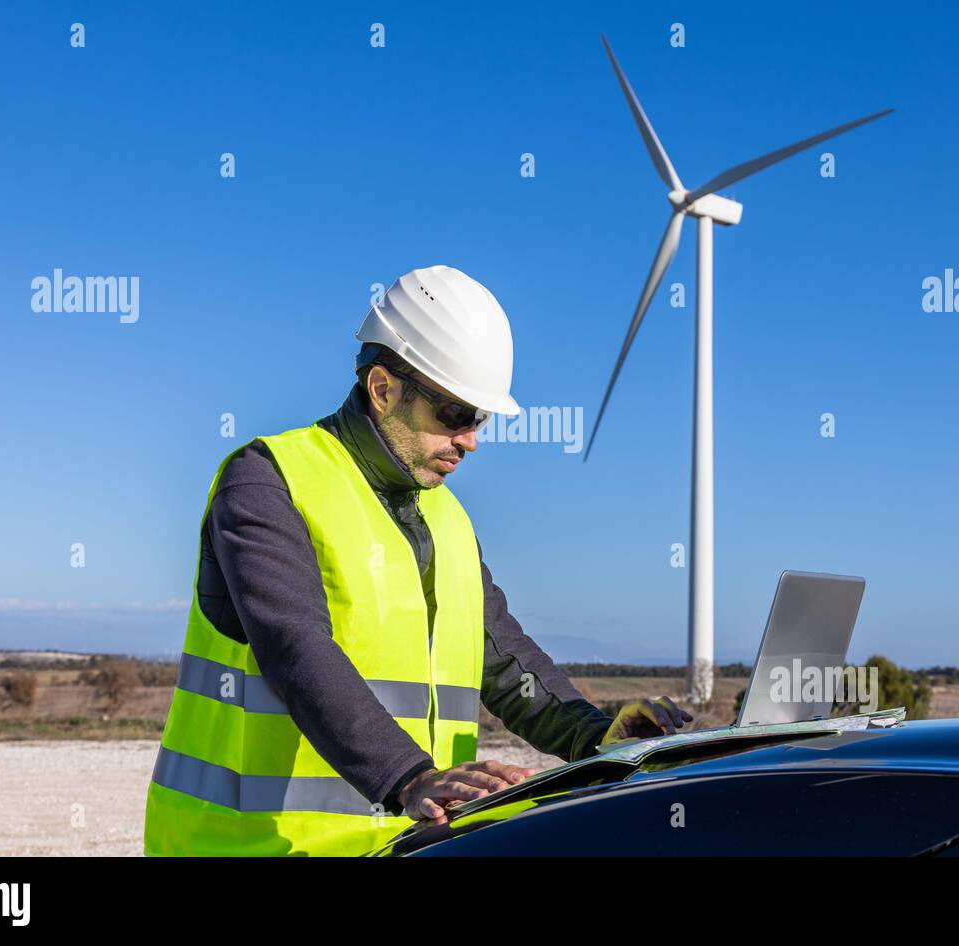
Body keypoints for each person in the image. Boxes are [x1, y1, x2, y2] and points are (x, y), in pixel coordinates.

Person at [144, 265, 693, 855]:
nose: (471, 440)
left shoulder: (447, 518)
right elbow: (294, 645)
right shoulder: (268, 481)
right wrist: (408, 776)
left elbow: (505, 662)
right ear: (383, 389)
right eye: (455, 414)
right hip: (248, 847)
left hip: (409, 846)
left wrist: (597, 738)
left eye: (479, 419)